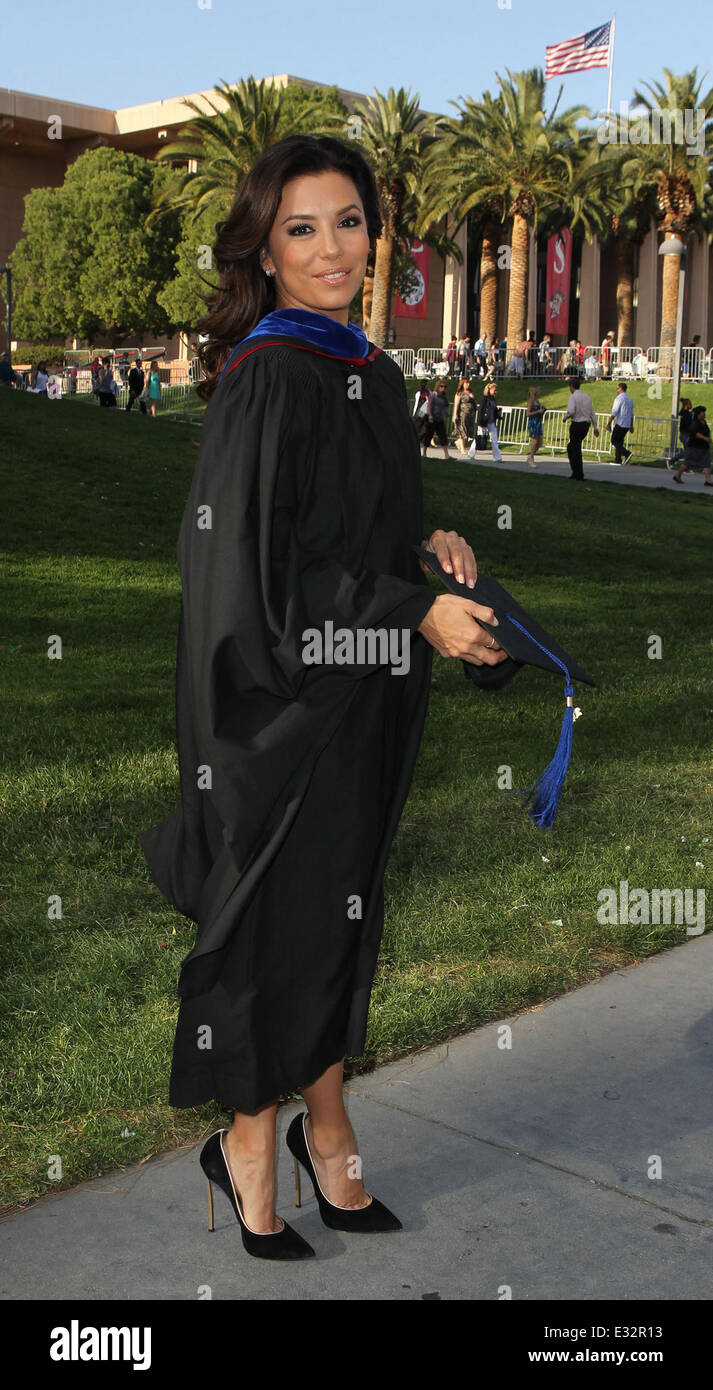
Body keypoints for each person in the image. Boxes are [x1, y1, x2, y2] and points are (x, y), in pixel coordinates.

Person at [139, 135, 510, 1258]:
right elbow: (266, 577)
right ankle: (250, 1140)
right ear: (264, 245)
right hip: (278, 707)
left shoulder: (369, 373)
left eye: (348, 221)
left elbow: (347, 541)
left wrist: (427, 554)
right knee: (279, 924)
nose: (330, 247)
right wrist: (403, 613)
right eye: (301, 228)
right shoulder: (270, 377)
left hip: (358, 699)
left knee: (344, 912)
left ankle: (329, 1121)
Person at [565, 376, 599, 480]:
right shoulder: (587, 397)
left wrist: (565, 417)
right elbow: (592, 412)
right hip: (586, 424)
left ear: (571, 386)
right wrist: (595, 427)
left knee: (575, 449)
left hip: (577, 423)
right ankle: (576, 472)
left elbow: (571, 411)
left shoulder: (573, 397)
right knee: (573, 447)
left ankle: (578, 473)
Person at [672, 404, 712, 485]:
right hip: (694, 446)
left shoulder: (703, 422)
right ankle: (677, 475)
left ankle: (708, 481)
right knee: (687, 463)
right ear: (698, 414)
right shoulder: (695, 423)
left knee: (707, 463)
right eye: (702, 413)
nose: (704, 414)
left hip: (704, 447)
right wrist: (705, 438)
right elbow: (696, 433)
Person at [469, 380, 502, 461]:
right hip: (484, 421)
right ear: (490, 390)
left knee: (494, 440)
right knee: (479, 437)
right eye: (494, 390)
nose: (495, 392)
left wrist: (498, 415)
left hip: (491, 421)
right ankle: (471, 453)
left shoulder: (493, 399)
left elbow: (494, 410)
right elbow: (480, 411)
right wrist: (479, 422)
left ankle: (497, 457)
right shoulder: (484, 399)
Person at [606, 381, 634, 464]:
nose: (617, 390)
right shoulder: (630, 399)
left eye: (617, 388)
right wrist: (631, 425)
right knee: (620, 441)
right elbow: (632, 414)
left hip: (620, 423)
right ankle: (617, 459)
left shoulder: (619, 398)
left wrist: (609, 422)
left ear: (621, 388)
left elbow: (614, 411)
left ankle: (626, 453)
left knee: (614, 440)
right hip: (627, 424)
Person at [423, 376, 450, 458]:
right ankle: (424, 453)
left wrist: (446, 413)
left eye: (445, 387)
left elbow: (445, 406)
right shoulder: (433, 395)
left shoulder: (444, 397)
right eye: (441, 386)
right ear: (438, 386)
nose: (443, 388)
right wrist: (430, 415)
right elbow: (429, 406)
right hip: (432, 418)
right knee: (429, 435)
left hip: (440, 418)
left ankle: (446, 455)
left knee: (443, 436)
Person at [452, 378, 476, 453]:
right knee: (462, 430)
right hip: (462, 414)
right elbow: (456, 405)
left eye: (468, 383)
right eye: (466, 383)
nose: (468, 384)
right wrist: (455, 415)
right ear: (462, 384)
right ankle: (462, 448)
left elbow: (473, 402)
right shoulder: (459, 393)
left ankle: (458, 442)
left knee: (468, 430)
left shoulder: (470, 392)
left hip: (470, 414)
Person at [526, 385, 544, 467]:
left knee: (540, 442)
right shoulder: (530, 401)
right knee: (535, 440)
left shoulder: (537, 400)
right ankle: (531, 458)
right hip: (533, 421)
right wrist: (537, 411)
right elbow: (528, 413)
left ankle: (531, 455)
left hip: (538, 421)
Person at [672, 398, 693, 465]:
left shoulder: (687, 413)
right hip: (685, 435)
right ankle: (673, 460)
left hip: (686, 434)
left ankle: (685, 466)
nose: (691, 405)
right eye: (690, 404)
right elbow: (687, 425)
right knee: (688, 451)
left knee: (688, 451)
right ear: (686, 405)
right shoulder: (686, 414)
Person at [412, 379, 432, 450]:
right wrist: (414, 413)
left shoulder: (429, 392)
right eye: (427, 384)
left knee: (426, 428)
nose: (428, 386)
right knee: (418, 426)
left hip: (426, 411)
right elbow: (416, 403)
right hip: (420, 411)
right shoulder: (419, 393)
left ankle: (422, 440)